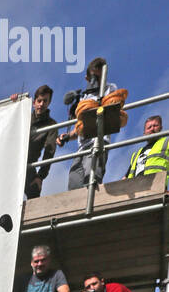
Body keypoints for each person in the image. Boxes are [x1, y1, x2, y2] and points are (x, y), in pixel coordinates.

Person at [58, 57, 116, 191]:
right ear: (87, 78)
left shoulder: (109, 89)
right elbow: (79, 127)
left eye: (98, 77)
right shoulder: (84, 97)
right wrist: (67, 136)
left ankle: (91, 207)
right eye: (92, 77)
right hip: (82, 146)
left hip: (98, 141)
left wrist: (98, 94)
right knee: (74, 180)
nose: (95, 81)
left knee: (91, 178)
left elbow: (111, 107)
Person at [25, 85, 58, 200]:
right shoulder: (23, 117)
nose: (41, 104)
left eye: (45, 101)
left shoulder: (51, 125)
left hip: (29, 166)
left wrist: (40, 177)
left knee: (34, 191)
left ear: (49, 103)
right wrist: (13, 103)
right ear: (34, 102)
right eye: (39, 101)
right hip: (11, 163)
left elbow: (49, 151)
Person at [125, 115, 169, 181]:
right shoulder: (136, 154)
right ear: (144, 133)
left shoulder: (167, 142)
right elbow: (126, 176)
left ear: (161, 128)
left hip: (157, 185)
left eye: (155, 126)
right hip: (134, 187)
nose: (152, 129)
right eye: (149, 127)